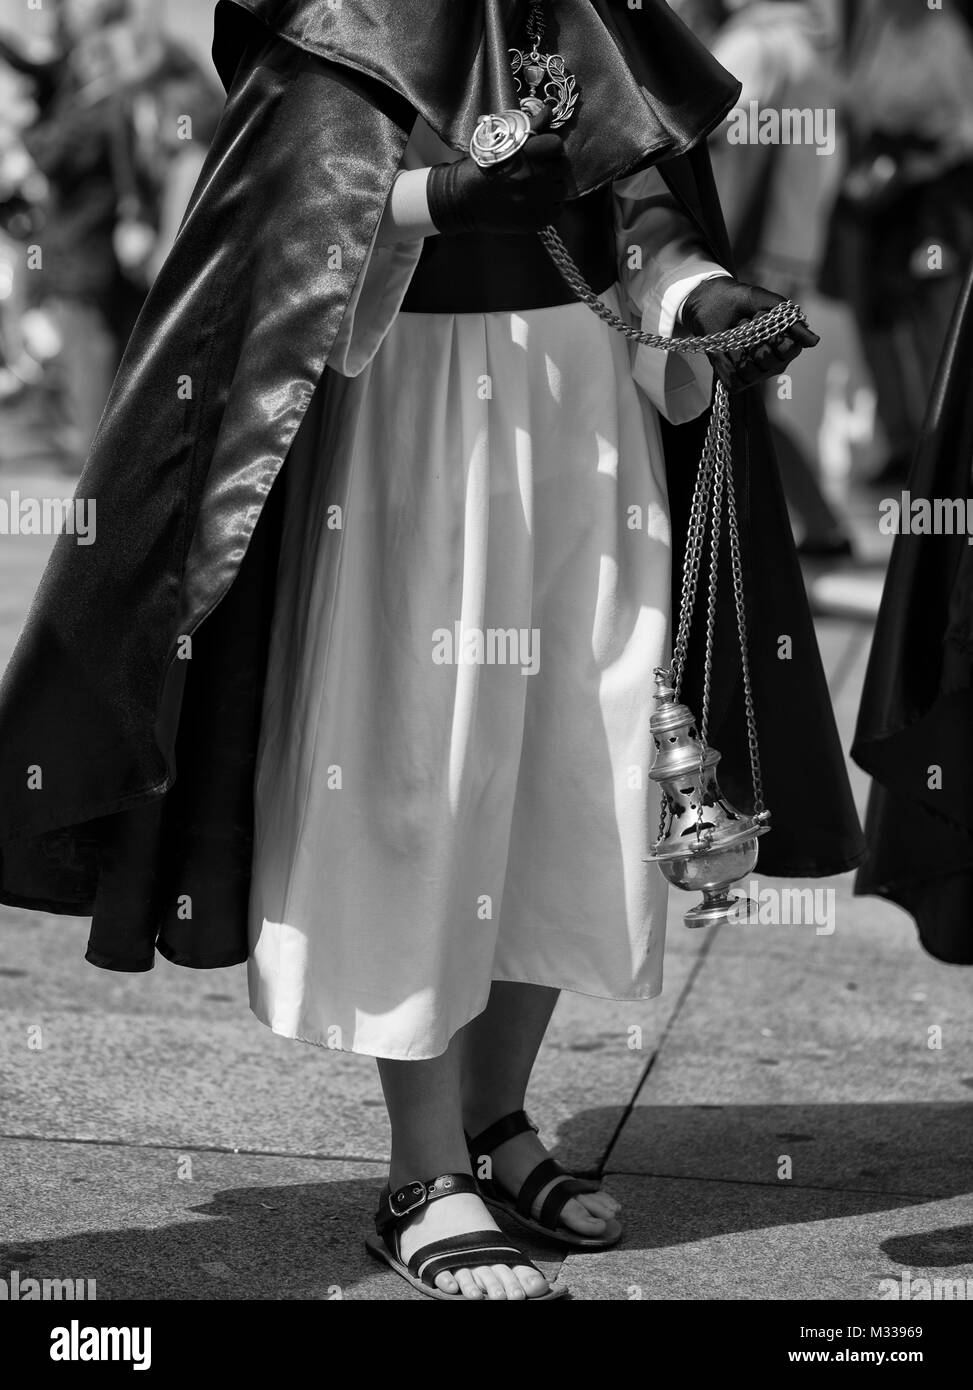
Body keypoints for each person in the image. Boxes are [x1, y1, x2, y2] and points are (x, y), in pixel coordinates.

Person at [0, 0, 863, 1301]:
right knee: (429, 769)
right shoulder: (338, 16)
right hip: (416, 414)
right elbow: (281, 231)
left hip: (589, 405)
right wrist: (437, 200)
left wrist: (697, 290)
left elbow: (640, 204)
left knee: (580, 762)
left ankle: (499, 1120)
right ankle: (420, 1168)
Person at [819, 0, 973, 488]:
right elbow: (855, 96)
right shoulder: (877, 24)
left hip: (936, 198)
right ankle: (904, 442)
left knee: (937, 318)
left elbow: (965, 125)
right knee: (878, 320)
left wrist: (919, 164)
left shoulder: (944, 30)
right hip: (882, 197)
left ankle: (947, 446)